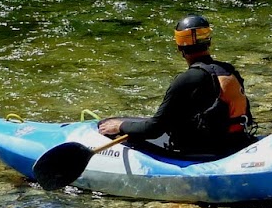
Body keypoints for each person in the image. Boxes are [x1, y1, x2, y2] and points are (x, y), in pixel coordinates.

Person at [98, 14, 255, 158]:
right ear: (209, 41)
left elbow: (154, 130)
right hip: (237, 142)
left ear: (180, 47)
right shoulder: (229, 70)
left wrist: (121, 126)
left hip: (207, 151)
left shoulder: (188, 79)